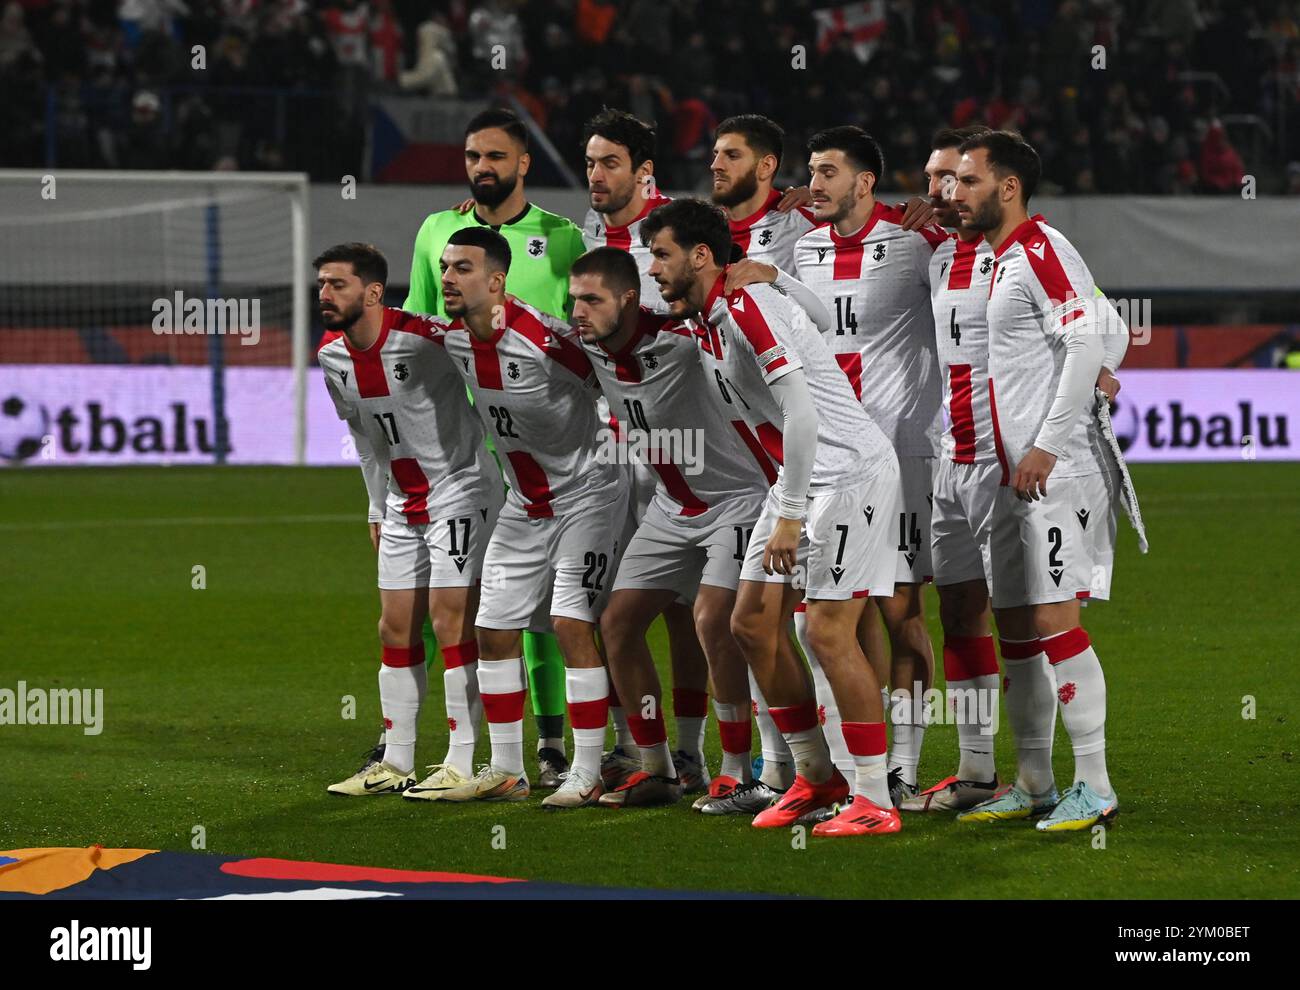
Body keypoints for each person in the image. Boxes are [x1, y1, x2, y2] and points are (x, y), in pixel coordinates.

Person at [643, 199, 906, 837]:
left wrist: (788, 514)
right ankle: (817, 776)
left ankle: (875, 800)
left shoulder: (743, 310)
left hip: (846, 475)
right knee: (752, 624)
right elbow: (816, 318)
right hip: (799, 483)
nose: (652, 268)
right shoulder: (713, 313)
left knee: (828, 634)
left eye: (661, 254)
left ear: (701, 257)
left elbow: (803, 416)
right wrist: (778, 275)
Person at [405, 108, 587, 789]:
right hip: (464, 450)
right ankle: (447, 746)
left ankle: (550, 741)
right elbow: (425, 333)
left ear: (523, 163)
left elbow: (580, 339)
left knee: (545, 608)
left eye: (496, 156)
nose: (482, 167)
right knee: (451, 598)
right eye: (473, 156)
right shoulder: (437, 232)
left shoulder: (560, 238)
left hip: (548, 453)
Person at [951, 130, 1124, 831]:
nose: (953, 193)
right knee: (1018, 627)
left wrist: (1047, 447)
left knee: (1056, 624)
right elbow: (1103, 331)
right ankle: (1035, 781)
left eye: (968, 181)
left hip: (1058, 472)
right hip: (1016, 478)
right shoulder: (1005, 259)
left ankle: (1097, 785)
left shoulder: (1043, 249)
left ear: (1009, 186)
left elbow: (1088, 337)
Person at [432, 227, 629, 809]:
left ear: (496, 281)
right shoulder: (452, 338)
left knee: (571, 626)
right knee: (492, 630)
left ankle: (587, 770)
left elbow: (614, 379)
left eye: (462, 268)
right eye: (444, 267)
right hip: (524, 503)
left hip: (588, 494)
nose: (447, 277)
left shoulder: (546, 337)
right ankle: (508, 769)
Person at [570, 246, 772, 808]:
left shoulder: (683, 340)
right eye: (574, 300)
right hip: (670, 505)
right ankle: (657, 767)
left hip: (737, 499)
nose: (578, 312)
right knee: (617, 624)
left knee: (712, 621)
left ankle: (732, 766)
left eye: (591, 300)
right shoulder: (588, 348)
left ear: (629, 300)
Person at [316, 243, 499, 798]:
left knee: (450, 624)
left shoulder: (426, 339)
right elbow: (366, 441)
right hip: (401, 503)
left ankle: (462, 761)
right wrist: (376, 506)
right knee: (393, 627)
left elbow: (489, 349)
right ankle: (395, 762)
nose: (324, 295)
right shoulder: (331, 357)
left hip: (460, 490)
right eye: (321, 284)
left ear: (372, 293)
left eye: (337, 285)